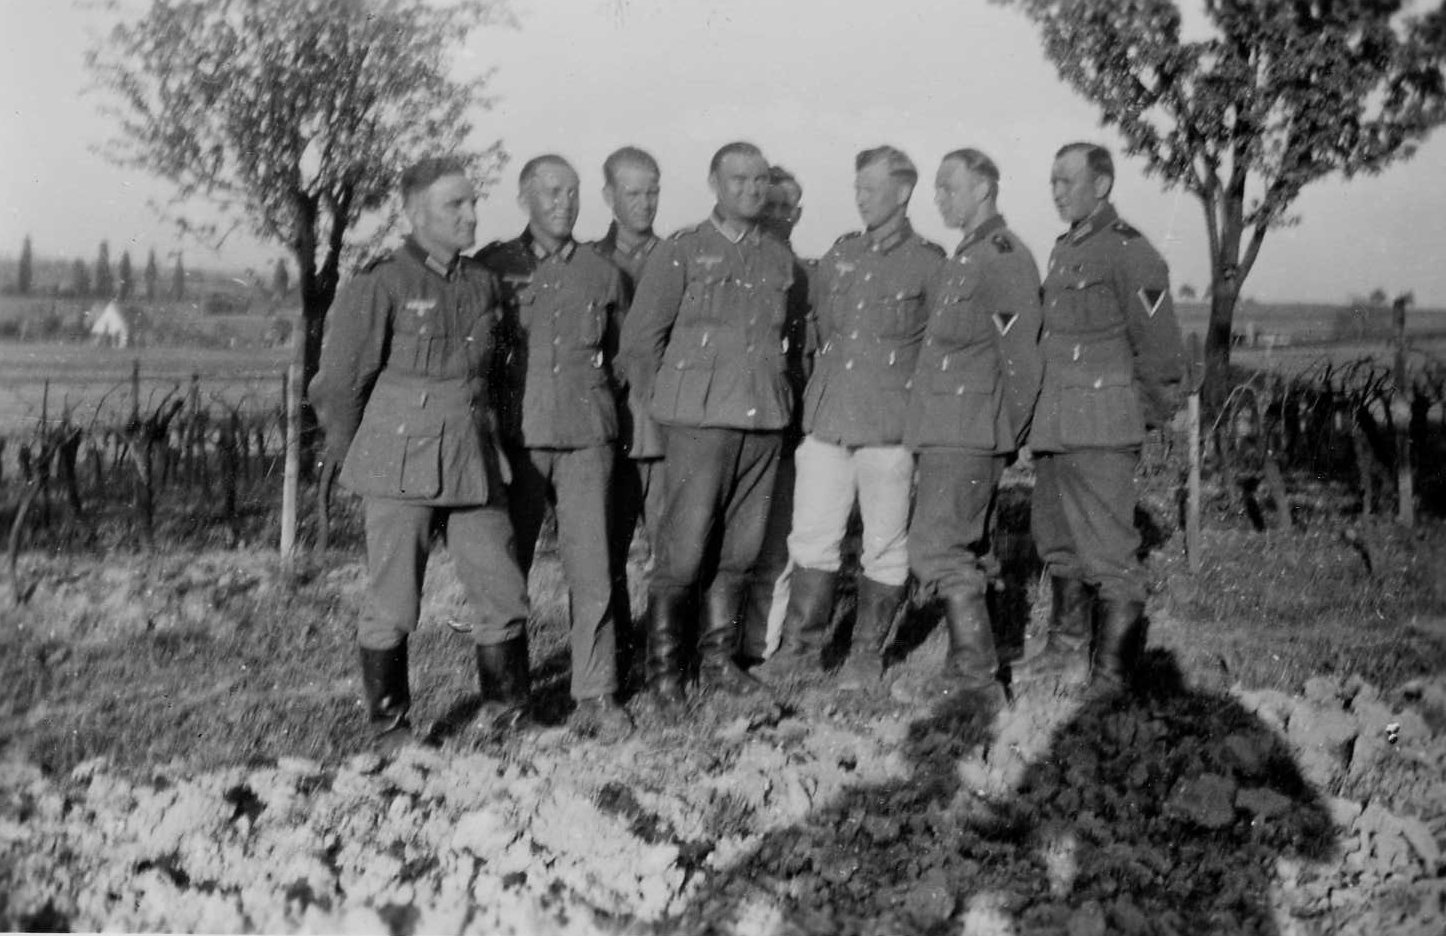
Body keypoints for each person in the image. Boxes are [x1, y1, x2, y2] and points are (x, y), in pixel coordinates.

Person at [309, 156, 531, 745]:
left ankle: (507, 715)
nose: (471, 214)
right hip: (399, 463)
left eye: (472, 202)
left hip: (474, 455)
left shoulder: (481, 283)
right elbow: (337, 385)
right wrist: (361, 453)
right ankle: (390, 727)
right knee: (393, 598)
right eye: (454, 205)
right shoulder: (381, 283)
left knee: (501, 586)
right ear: (413, 214)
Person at [618, 141, 798, 715]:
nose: (751, 189)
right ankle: (664, 674)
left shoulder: (778, 257)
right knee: (684, 550)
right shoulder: (683, 251)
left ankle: (718, 663)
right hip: (698, 423)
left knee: (740, 550)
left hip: (762, 419)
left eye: (759, 180)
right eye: (738, 179)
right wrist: (673, 407)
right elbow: (641, 342)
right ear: (715, 185)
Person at [754, 146, 944, 689]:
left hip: (888, 427)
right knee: (811, 538)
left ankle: (865, 655)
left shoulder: (929, 263)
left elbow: (935, 349)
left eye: (871, 187)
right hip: (829, 418)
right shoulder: (840, 256)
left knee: (884, 545)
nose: (859, 197)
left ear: (903, 192)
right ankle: (800, 650)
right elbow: (823, 330)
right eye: (856, 187)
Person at [1011, 142, 1186, 694]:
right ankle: (1063, 649)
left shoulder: (1131, 252)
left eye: (1067, 181)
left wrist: (1135, 419)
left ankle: (1112, 674)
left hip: (1104, 428)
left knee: (1110, 555)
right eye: (1053, 182)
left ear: (1102, 184)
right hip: (1058, 425)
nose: (1057, 191)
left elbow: (1159, 352)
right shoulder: (1065, 249)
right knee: (1058, 543)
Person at [476, 154, 633, 739]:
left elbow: (622, 356)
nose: (563, 203)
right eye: (549, 192)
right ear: (524, 200)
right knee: (504, 570)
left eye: (571, 192)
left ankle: (596, 693)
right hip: (517, 439)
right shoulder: (495, 268)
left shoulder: (601, 272)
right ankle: (508, 701)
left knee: (592, 568)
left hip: (586, 435)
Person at [892, 148, 1043, 705]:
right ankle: (968, 666)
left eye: (948, 188)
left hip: (968, 430)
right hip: (950, 427)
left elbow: (1022, 360)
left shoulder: (1002, 257)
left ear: (983, 189)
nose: (939, 199)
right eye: (936, 189)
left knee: (937, 549)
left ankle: (976, 680)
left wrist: (1007, 433)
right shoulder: (968, 256)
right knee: (961, 548)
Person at [593, 146, 665, 684]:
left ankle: (666, 657)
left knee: (672, 549)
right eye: (633, 192)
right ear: (609, 198)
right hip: (609, 429)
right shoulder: (589, 264)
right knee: (605, 551)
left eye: (653, 191)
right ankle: (614, 657)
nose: (645, 203)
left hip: (664, 429)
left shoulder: (678, 258)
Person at [738, 165, 812, 666]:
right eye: (772, 207)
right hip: (732, 424)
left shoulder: (804, 274)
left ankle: (757, 650)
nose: (780, 217)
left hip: (784, 424)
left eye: (789, 208)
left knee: (774, 548)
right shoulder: (733, 264)